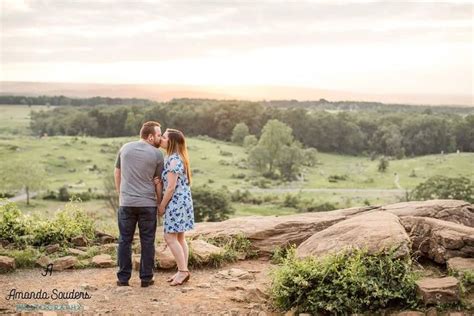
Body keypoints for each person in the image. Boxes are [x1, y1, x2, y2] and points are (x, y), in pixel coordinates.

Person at [114, 121, 164, 287]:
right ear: (150, 137)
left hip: (126, 203)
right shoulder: (157, 155)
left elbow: (117, 172)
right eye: (158, 135)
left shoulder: (125, 148)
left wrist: (121, 194)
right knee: (147, 241)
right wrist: (159, 203)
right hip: (147, 204)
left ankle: (123, 279)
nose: (160, 138)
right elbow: (158, 182)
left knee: (124, 240)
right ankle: (146, 278)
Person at [157, 128, 194, 286]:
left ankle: (183, 271)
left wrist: (162, 206)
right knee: (180, 237)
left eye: (164, 137)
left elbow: (171, 187)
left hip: (176, 202)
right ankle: (182, 270)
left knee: (169, 237)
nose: (161, 140)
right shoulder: (179, 157)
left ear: (170, 142)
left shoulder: (173, 160)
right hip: (183, 201)